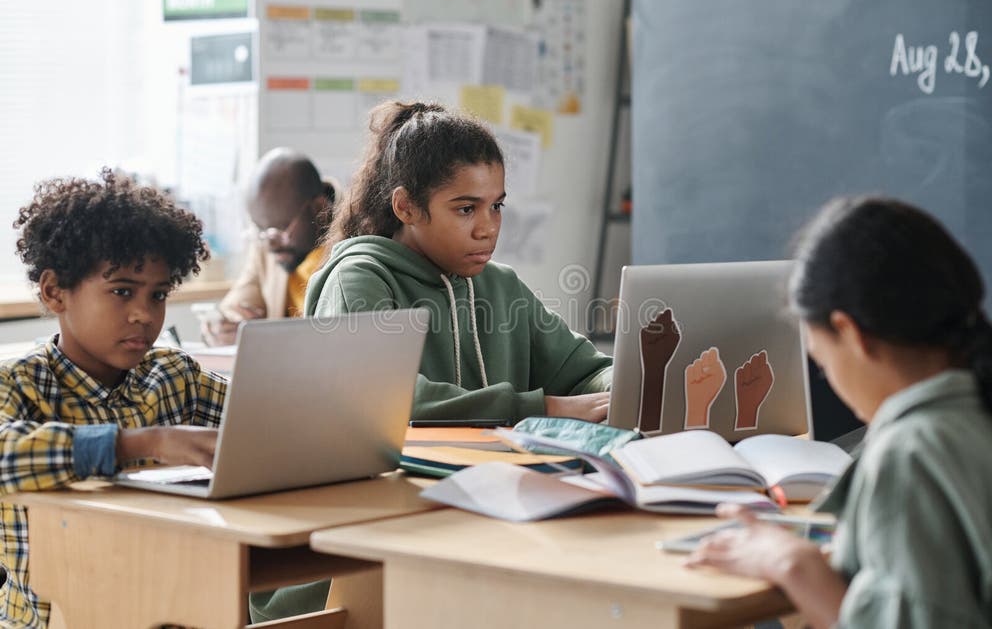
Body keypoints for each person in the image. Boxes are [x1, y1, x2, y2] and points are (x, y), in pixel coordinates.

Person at [249, 102, 613, 621]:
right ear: (406, 207)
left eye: (497, 206)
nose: (488, 228)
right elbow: (391, 401)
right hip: (365, 541)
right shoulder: (361, 279)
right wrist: (546, 406)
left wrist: (630, 384)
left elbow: (583, 367)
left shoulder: (499, 286)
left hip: (475, 517)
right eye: (466, 209)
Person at [686, 197, 992, 628]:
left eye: (823, 364)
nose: (832, 380)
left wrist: (793, 564)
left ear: (852, 334)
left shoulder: (911, 452)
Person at [0, 170, 228, 627]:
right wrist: (141, 443)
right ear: (53, 291)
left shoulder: (175, 377)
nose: (145, 313)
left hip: (172, 610)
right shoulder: (20, 384)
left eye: (159, 294)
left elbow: (265, 422)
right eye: (122, 291)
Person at [201, 148, 336, 345]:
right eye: (261, 230)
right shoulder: (267, 248)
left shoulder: (356, 245)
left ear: (319, 208)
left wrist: (268, 337)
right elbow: (233, 308)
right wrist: (219, 327)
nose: (270, 243)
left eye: (280, 229)